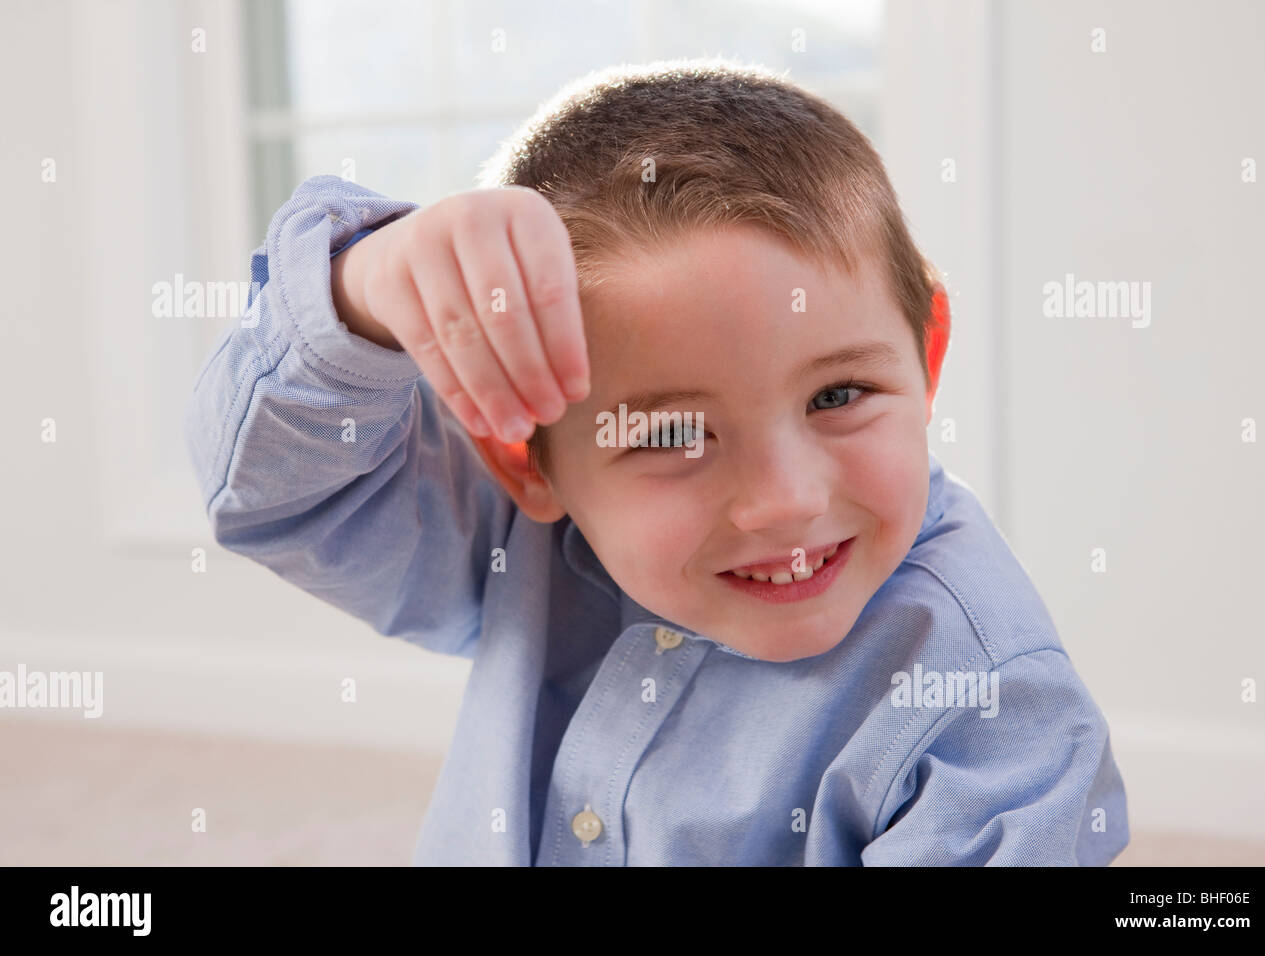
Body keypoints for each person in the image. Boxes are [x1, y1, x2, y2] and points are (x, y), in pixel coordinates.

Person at [185, 58, 1128, 865]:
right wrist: (359, 294)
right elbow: (281, 495)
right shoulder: (529, 536)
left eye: (837, 397)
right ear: (526, 460)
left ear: (926, 358)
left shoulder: (996, 715)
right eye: (673, 435)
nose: (786, 501)